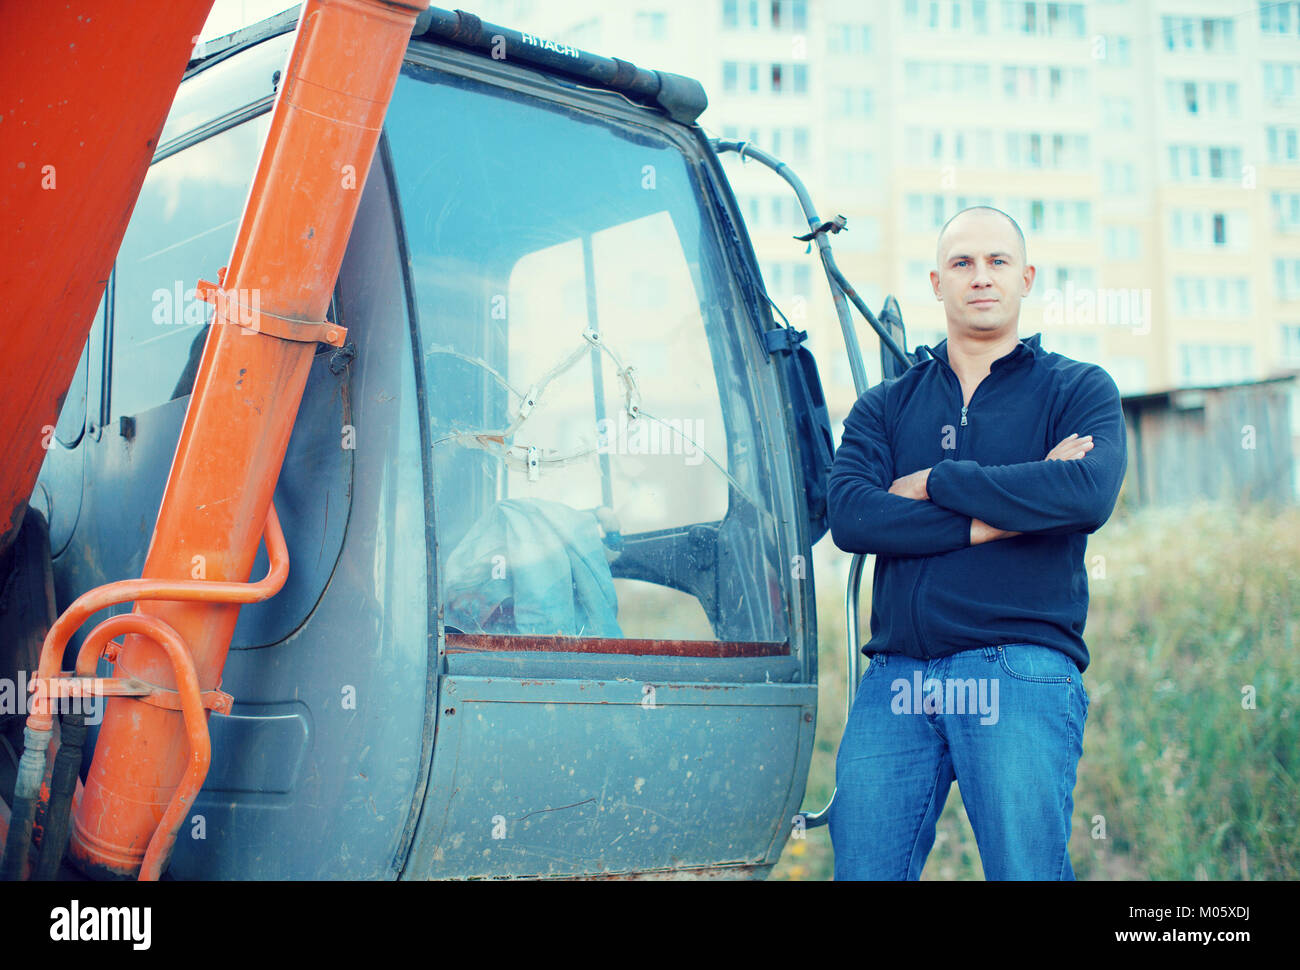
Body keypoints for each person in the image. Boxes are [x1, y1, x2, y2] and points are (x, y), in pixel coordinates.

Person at [826, 205, 1127, 880]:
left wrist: (936, 480)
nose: (980, 277)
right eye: (962, 263)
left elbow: (1086, 495)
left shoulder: (1078, 389)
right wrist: (1004, 512)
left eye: (997, 263)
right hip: (898, 678)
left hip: (1015, 667)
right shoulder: (884, 405)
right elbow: (852, 517)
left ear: (1026, 278)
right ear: (937, 282)